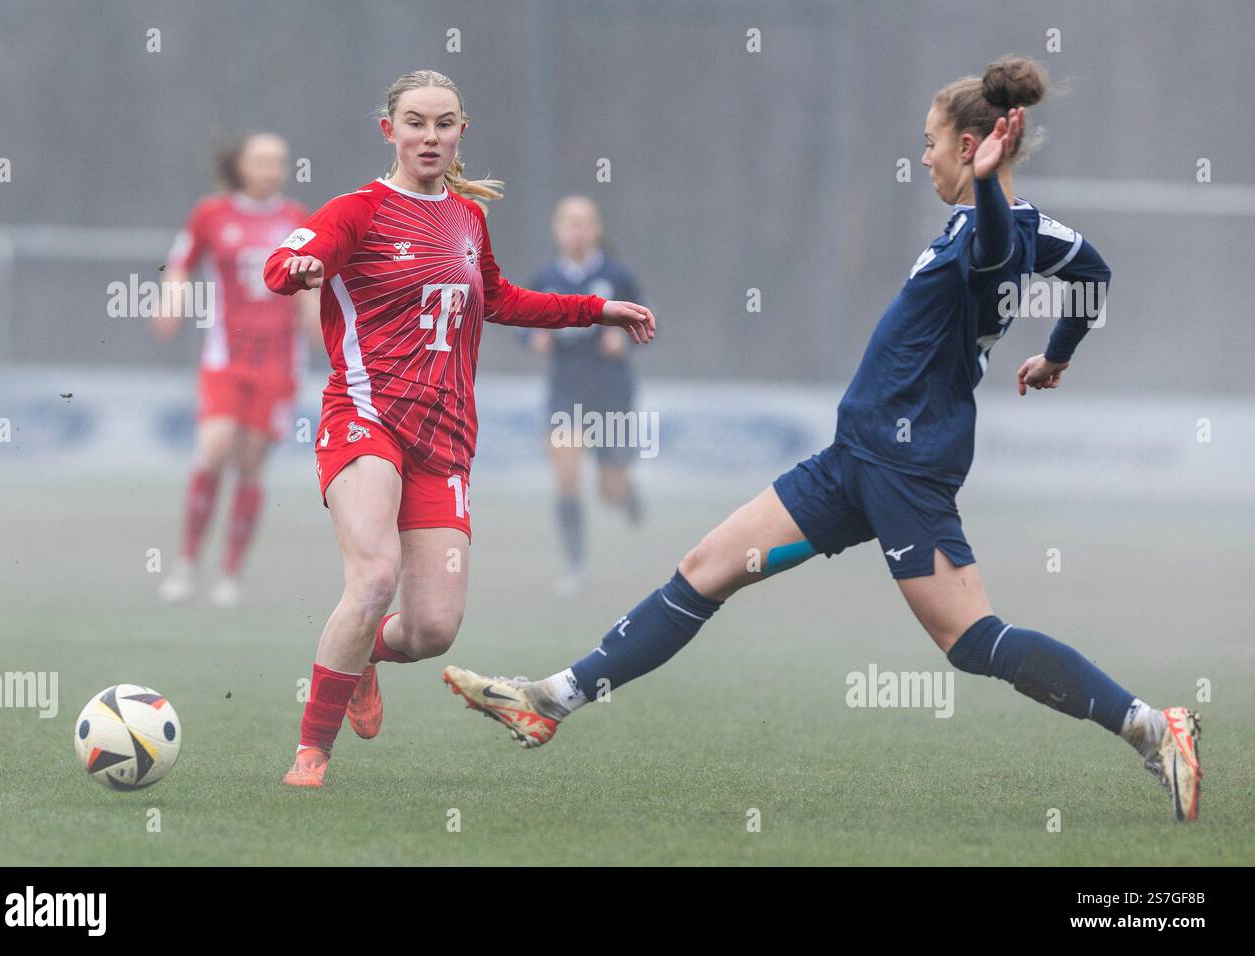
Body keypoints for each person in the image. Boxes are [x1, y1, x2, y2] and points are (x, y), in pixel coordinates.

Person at [442, 56, 1203, 823]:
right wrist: (1059, 353)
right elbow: (1094, 271)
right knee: (707, 568)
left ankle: (1151, 727)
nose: (923, 155)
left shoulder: (993, 229)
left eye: (933, 142)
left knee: (972, 641)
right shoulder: (1017, 226)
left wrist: (991, 197)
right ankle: (552, 700)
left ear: (973, 146)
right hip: (854, 459)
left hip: (907, 467)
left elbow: (999, 257)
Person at [262, 70, 656, 788]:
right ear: (389, 129)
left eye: (444, 123)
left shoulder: (468, 220)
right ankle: (311, 752)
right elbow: (282, 265)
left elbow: (500, 297)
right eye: (415, 122)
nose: (429, 136)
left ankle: (363, 660)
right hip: (365, 417)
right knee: (375, 575)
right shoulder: (358, 210)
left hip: (444, 439)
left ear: (461, 132)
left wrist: (596, 310)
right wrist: (298, 265)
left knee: (433, 630)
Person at [154, 132, 318, 606]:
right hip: (226, 357)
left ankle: (229, 573)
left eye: (280, 161)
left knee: (250, 463)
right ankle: (186, 563)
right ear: (241, 166)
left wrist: (316, 324)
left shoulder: (298, 220)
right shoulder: (211, 214)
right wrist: (172, 299)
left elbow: (310, 284)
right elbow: (181, 264)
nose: (272, 169)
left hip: (280, 362)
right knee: (214, 445)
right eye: (262, 161)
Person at [526, 196, 646, 597]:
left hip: (611, 392)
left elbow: (647, 323)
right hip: (565, 391)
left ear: (597, 229)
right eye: (569, 222)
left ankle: (626, 495)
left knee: (609, 488)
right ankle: (575, 568)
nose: (577, 229)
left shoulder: (618, 276)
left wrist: (624, 337)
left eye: (585, 222)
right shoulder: (544, 278)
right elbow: (520, 322)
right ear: (557, 229)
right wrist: (534, 336)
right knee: (566, 476)